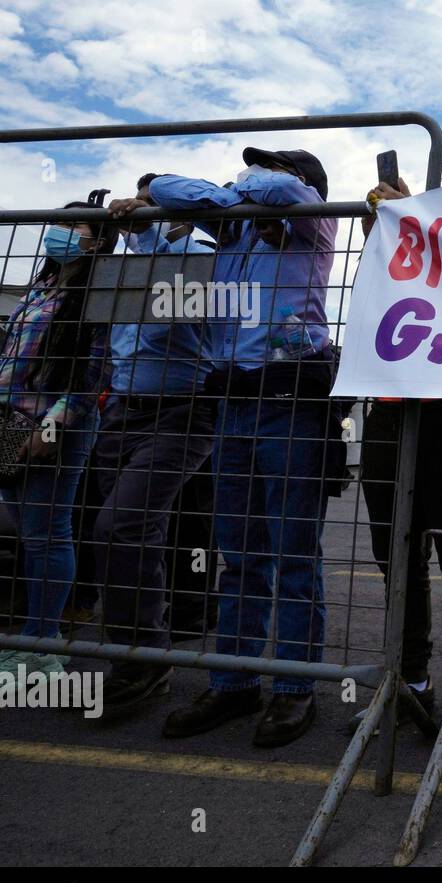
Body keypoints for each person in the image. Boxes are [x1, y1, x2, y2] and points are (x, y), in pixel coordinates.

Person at [112, 147, 337, 747]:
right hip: (232, 402)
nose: (249, 184)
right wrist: (226, 201)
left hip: (291, 402)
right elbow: (163, 183)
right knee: (237, 555)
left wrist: (245, 190)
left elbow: (288, 195)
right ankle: (233, 682)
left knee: (292, 553)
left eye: (260, 174)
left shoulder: (312, 221)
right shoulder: (235, 229)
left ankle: (295, 687)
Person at [348, 149, 442, 735]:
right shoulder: (407, 233)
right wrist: (386, 224)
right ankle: (410, 678)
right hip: (392, 410)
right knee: (395, 553)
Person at [93, 179, 216, 711]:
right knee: (125, 533)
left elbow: (179, 316)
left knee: (122, 524)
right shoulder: (123, 259)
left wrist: (151, 234)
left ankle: (143, 656)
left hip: (181, 409)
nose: (137, 208)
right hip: (123, 409)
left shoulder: (200, 252)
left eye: (152, 200)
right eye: (136, 199)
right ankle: (137, 654)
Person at [0, 200, 118, 673]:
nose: (61, 232)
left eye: (74, 225)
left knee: (47, 532)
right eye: (59, 223)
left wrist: (53, 424)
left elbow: (97, 370)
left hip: (56, 424)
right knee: (29, 532)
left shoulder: (99, 293)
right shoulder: (43, 287)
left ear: (98, 240)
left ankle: (44, 642)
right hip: (10, 420)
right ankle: (31, 635)